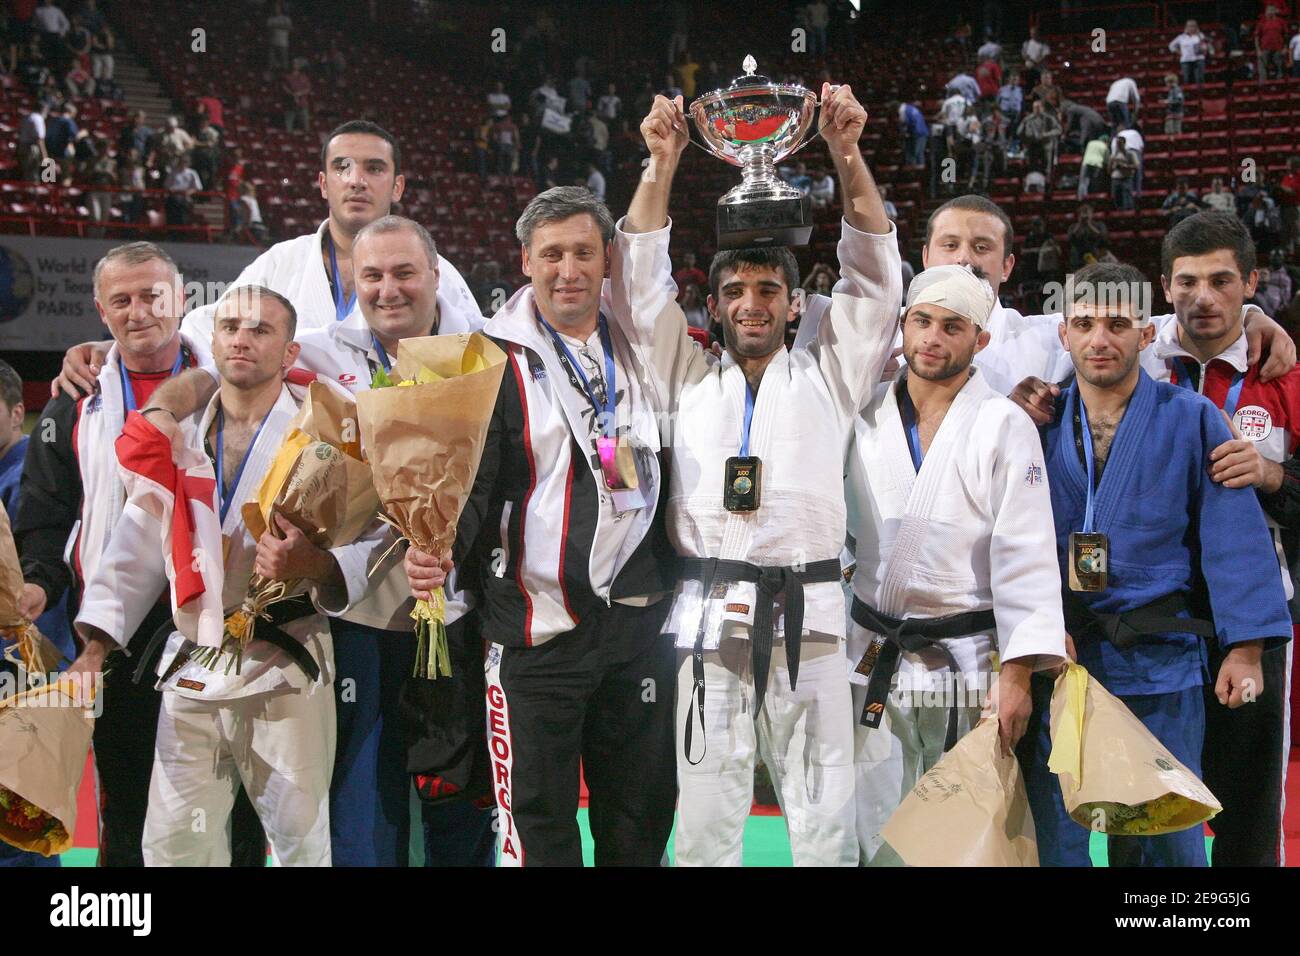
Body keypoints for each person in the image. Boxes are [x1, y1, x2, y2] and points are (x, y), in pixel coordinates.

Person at [618, 87, 899, 867]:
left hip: (809, 612)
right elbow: (639, 289)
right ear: (709, 304)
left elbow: (875, 282)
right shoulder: (685, 375)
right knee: (707, 814)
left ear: (794, 302)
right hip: (708, 611)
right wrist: (663, 161)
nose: (751, 304)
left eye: (768, 290)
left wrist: (845, 151)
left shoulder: (829, 374)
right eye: (734, 292)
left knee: (824, 814)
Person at [1012, 212, 1300, 865]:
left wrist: (1246, 650)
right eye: (1084, 324)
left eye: (1117, 324)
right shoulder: (1038, 420)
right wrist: (1032, 627)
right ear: (1063, 333)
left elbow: (1233, 539)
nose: (1100, 339)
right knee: (1058, 834)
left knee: (1166, 840)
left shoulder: (1194, 416)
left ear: (1147, 332)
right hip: (1066, 658)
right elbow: (1015, 543)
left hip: (1163, 661)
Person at [405, 184, 680, 867]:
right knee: (538, 827)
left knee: (640, 820)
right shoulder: (487, 358)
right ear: (525, 259)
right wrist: (435, 550)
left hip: (639, 624)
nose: (569, 270)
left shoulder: (645, 339)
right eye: (552, 254)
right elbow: (463, 487)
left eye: (584, 252)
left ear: (608, 259)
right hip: (537, 630)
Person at [71, 285, 383, 866]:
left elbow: (374, 540)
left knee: (299, 841)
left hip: (286, 657)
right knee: (172, 842)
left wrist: (311, 565)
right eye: (231, 327)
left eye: (261, 330)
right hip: (193, 656)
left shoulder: (325, 437)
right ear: (212, 343)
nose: (242, 338)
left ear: (290, 354)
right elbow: (136, 546)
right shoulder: (182, 435)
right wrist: (95, 650)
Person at [13, 242, 265, 867]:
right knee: (126, 792)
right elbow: (46, 510)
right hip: (115, 629)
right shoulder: (75, 398)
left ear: (183, 301)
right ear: (101, 311)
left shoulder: (234, 379)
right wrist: (40, 583)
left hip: (222, 621)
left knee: (229, 790)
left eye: (153, 295)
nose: (138, 311)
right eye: (121, 300)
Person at [847, 264, 1066, 865]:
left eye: (952, 326)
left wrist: (1018, 675)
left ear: (981, 340)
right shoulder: (864, 414)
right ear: (902, 326)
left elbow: (1026, 556)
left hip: (967, 661)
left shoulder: (1004, 423)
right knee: (874, 826)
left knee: (961, 839)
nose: (932, 338)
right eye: (921, 321)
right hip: (870, 652)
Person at [54, 120, 479, 397]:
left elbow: (479, 368)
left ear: (398, 185)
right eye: (342, 167)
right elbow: (207, 330)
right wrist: (124, 348)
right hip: (298, 459)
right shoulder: (280, 263)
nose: (356, 180)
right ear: (323, 183)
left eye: (374, 168)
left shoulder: (440, 276)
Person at [1169, 18, 1212, 84]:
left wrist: (1204, 50)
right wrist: (1179, 52)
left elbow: (1206, 45)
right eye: (1190, 26)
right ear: (1186, 27)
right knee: (1187, 79)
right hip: (1186, 60)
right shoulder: (1181, 37)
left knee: (1199, 79)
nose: (1191, 28)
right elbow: (1171, 45)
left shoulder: (1200, 35)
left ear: (1196, 27)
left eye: (1193, 26)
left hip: (1199, 59)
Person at [18, 101, 48, 182]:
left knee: (26, 173)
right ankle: (32, 193)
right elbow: (39, 139)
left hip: (23, 146)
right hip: (31, 149)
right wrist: (44, 155)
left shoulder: (27, 117)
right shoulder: (38, 118)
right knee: (33, 175)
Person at [1256, 4, 1288, 78]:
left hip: (1278, 48)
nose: (1268, 12)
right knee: (1262, 67)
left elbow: (1286, 35)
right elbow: (1256, 37)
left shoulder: (1281, 22)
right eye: (1267, 11)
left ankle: (1279, 84)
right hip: (1264, 48)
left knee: (1279, 67)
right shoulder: (1262, 22)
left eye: (1270, 11)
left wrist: (1285, 48)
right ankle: (1263, 84)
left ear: (1274, 11)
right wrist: (1258, 50)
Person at [896, 100, 929, 168]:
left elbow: (904, 123)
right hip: (922, 131)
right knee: (919, 153)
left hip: (916, 133)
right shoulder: (910, 107)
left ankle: (914, 173)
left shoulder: (902, 110)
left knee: (914, 154)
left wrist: (905, 133)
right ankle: (920, 173)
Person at [1108, 136, 1138, 211]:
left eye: (1120, 143)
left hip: (1126, 178)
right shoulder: (1113, 155)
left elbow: (1136, 166)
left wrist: (1125, 166)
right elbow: (1109, 169)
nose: (1118, 145)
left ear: (1124, 143)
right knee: (1116, 199)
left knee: (1127, 199)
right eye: (1117, 143)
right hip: (1115, 179)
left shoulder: (1130, 153)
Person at [1078, 133, 1109, 199]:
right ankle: (1094, 197)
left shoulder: (1090, 143)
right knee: (1095, 182)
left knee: (1083, 181)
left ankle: (1081, 197)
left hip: (1086, 162)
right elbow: (1106, 160)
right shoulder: (1105, 146)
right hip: (1097, 164)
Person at [1021, 25, 1050, 90]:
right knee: (1029, 86)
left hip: (1040, 69)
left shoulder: (1043, 44)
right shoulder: (1026, 43)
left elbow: (1044, 56)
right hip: (1029, 69)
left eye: (1034, 33)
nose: (1032, 35)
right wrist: (1030, 60)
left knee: (1041, 87)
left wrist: (1034, 61)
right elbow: (1024, 55)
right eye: (1031, 33)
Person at [266, 1, 292, 71]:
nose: (276, 9)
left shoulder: (286, 18)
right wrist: (281, 26)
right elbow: (268, 28)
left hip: (283, 43)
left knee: (284, 61)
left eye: (277, 8)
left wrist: (276, 26)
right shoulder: (270, 19)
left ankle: (284, 74)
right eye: (274, 8)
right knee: (271, 62)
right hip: (273, 42)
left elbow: (289, 28)